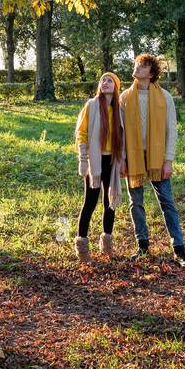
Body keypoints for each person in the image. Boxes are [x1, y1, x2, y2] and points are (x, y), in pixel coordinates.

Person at [118, 54, 185, 266]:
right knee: (136, 203)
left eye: (142, 66)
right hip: (133, 157)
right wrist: (122, 159)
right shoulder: (124, 97)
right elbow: (121, 132)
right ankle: (142, 246)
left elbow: (172, 130)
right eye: (136, 65)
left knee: (167, 202)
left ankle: (179, 249)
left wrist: (168, 160)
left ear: (151, 73)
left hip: (157, 157)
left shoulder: (165, 97)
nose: (137, 68)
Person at [72, 71, 125, 262]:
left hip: (112, 160)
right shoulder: (92, 105)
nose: (105, 83)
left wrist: (123, 161)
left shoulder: (120, 109)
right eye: (103, 80)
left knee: (110, 203)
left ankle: (107, 244)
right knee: (90, 203)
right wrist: (83, 159)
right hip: (95, 161)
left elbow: (124, 138)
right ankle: (82, 247)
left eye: (109, 80)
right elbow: (82, 133)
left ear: (116, 86)